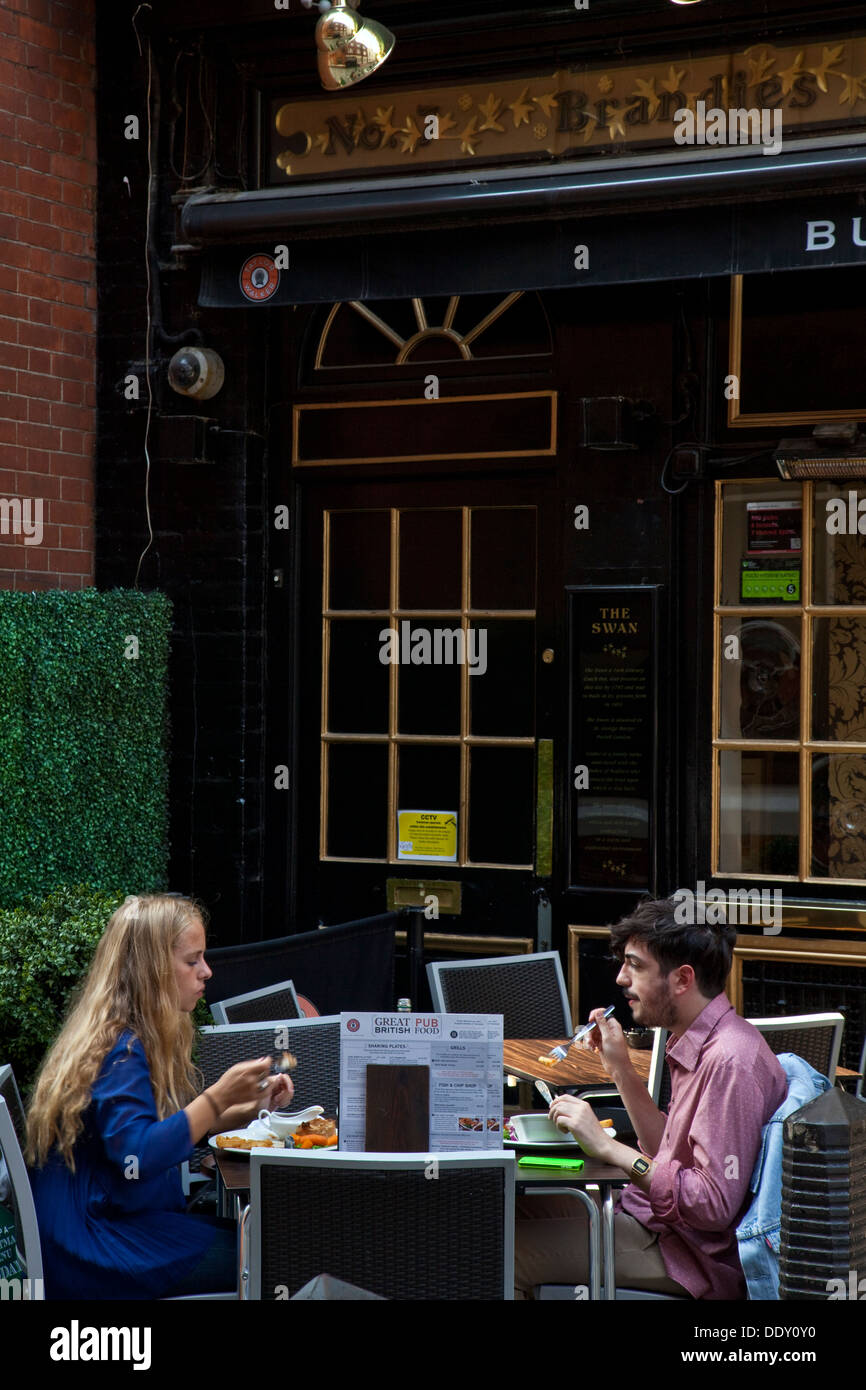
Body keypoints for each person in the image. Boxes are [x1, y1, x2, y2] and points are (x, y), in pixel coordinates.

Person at [515, 896, 787, 1299]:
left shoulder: (730, 1060)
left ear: (682, 979)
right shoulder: (695, 1037)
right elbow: (668, 1152)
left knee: (505, 1253)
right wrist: (620, 1069)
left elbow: (712, 1205)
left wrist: (609, 1148)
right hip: (652, 1220)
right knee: (502, 1217)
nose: (622, 978)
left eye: (636, 966)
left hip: (688, 1254)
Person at [26, 893, 293, 1299]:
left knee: (263, 1239)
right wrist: (216, 1099)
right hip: (94, 1247)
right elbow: (136, 1159)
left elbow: (148, 1135)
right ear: (150, 971)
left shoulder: (119, 1035)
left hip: (97, 1228)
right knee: (277, 1253)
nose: (207, 971)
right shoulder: (122, 1050)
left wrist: (244, 1110)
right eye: (192, 961)